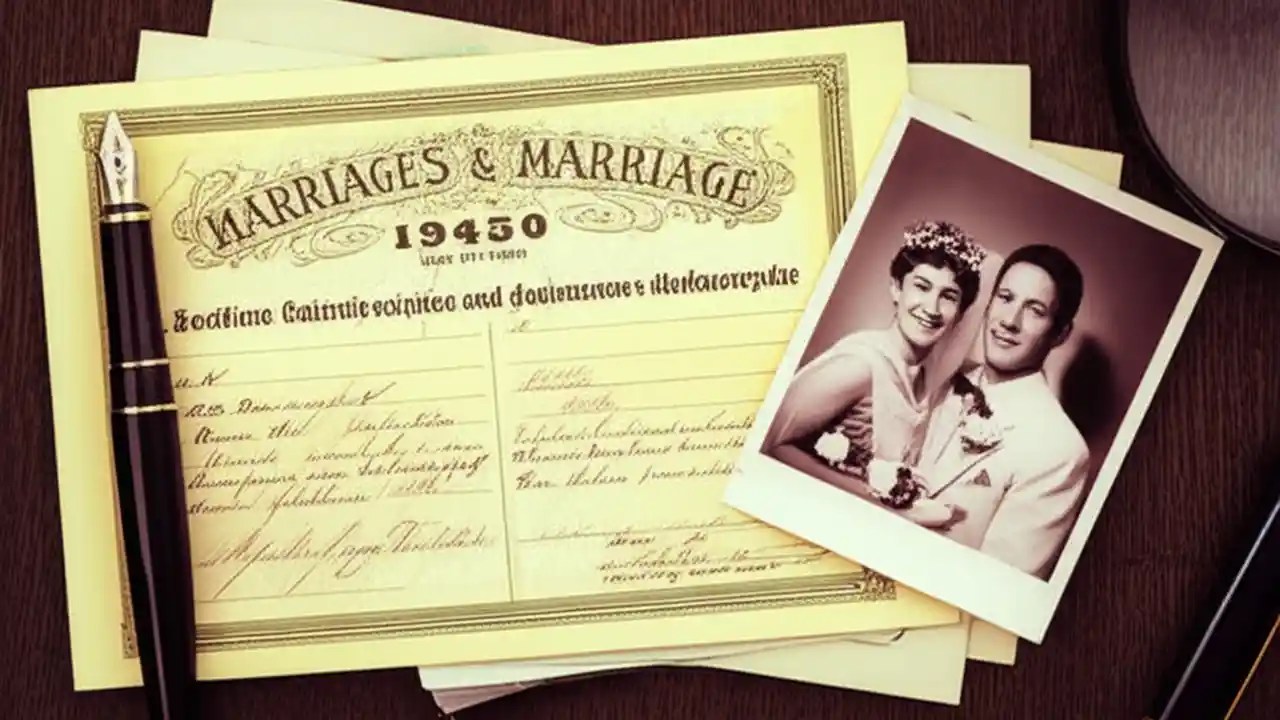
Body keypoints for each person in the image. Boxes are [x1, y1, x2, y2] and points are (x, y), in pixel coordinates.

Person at [761, 220, 986, 499]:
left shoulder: (924, 379)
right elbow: (770, 445)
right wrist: (882, 503)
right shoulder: (858, 366)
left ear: (960, 313)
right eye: (922, 286)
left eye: (949, 296)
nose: (932, 308)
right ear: (896, 288)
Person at [910, 243, 1090, 581]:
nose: (1010, 321)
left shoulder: (1062, 451)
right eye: (1005, 298)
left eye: (1034, 310)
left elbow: (995, 585)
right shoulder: (939, 374)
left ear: (1061, 333)